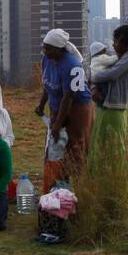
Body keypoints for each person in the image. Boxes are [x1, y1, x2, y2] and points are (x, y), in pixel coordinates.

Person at [34, 28, 94, 191]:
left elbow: (68, 98)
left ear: (59, 49)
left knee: (75, 144)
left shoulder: (72, 65)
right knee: (55, 145)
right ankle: (58, 183)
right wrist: (41, 105)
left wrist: (58, 124)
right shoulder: (47, 59)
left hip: (77, 107)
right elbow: (47, 84)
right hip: (56, 105)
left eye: (48, 48)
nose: (45, 51)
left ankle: (79, 186)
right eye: (44, 47)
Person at [87, 24, 128, 175]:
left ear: (123, 42)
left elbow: (111, 74)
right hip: (104, 105)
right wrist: (94, 86)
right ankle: (99, 178)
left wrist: (93, 78)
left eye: (116, 42)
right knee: (99, 143)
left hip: (115, 107)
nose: (113, 45)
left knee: (114, 146)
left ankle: (115, 179)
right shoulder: (121, 57)